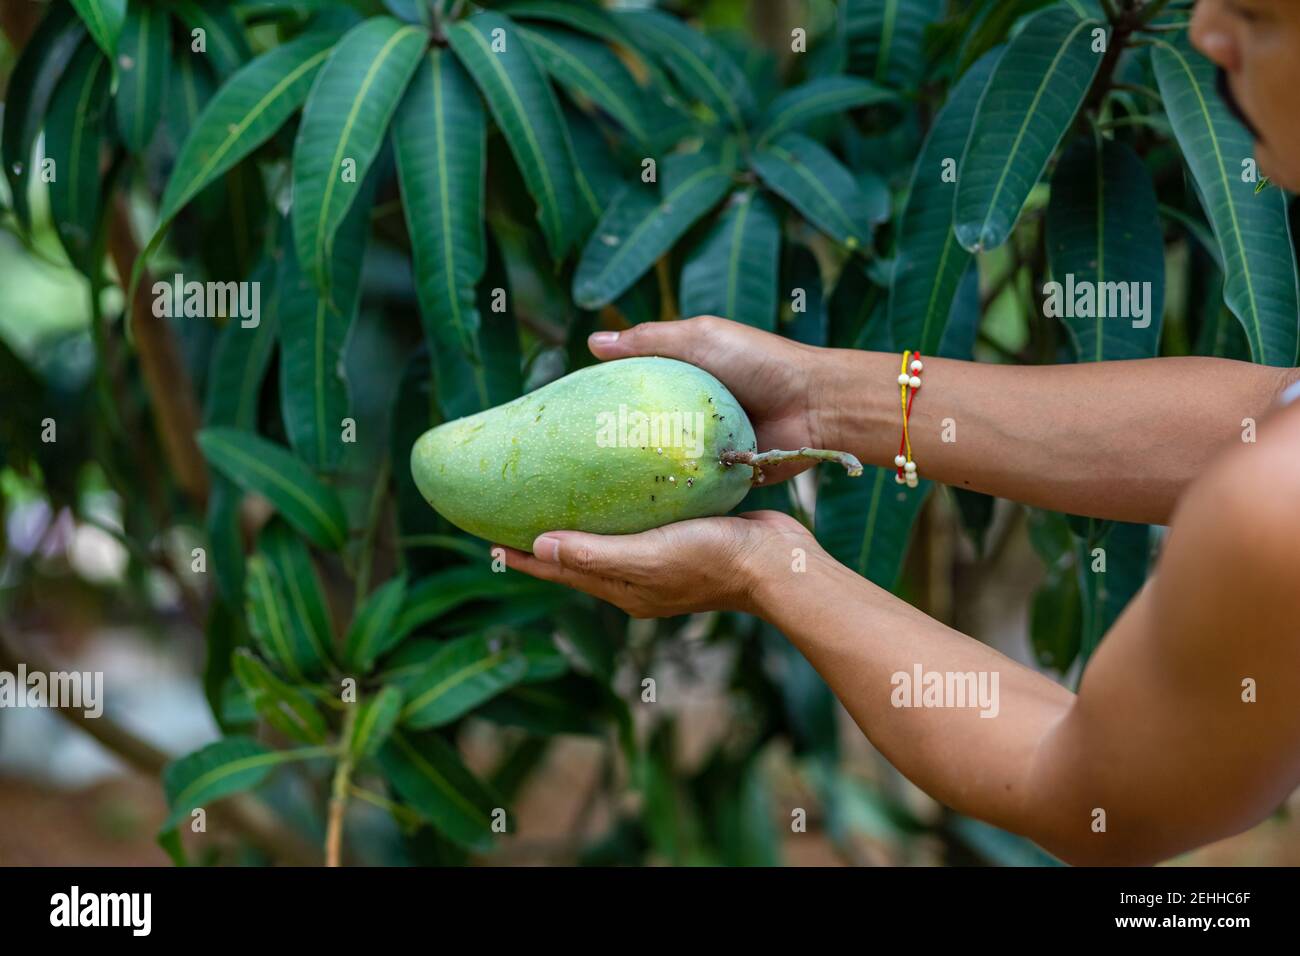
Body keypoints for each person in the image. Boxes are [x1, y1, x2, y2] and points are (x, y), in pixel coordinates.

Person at [503, 0, 1300, 866]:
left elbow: (1088, 790)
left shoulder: (1272, 518)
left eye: (1259, 14)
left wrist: (770, 568)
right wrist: (822, 399)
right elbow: (1268, 420)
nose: (1207, 32)